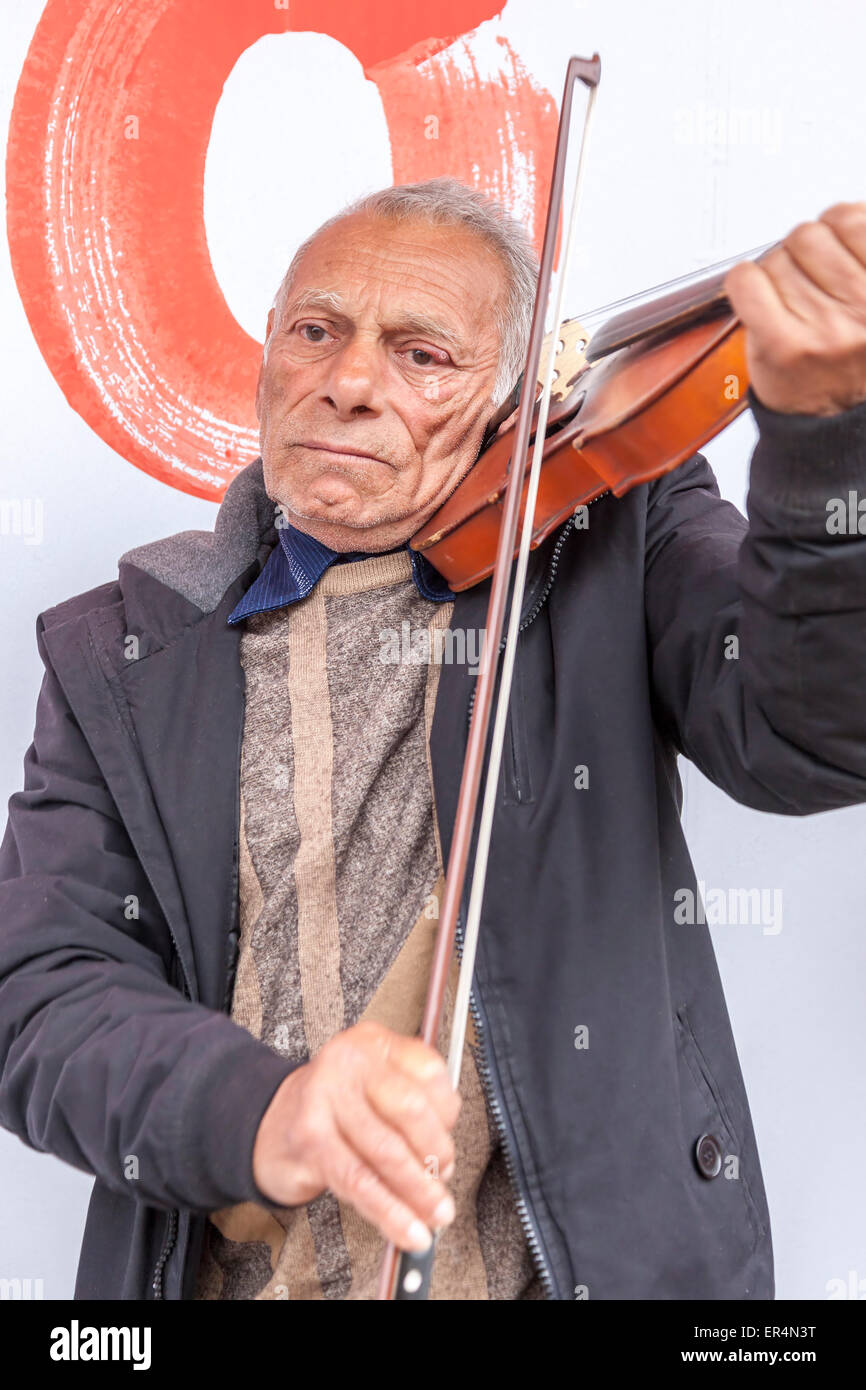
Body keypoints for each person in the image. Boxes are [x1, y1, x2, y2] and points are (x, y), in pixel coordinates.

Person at [2, 178, 866, 1301]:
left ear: (514, 400)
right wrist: (264, 1108)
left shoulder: (612, 535)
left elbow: (808, 733)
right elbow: (41, 990)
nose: (349, 383)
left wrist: (820, 448)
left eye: (423, 356)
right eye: (317, 331)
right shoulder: (121, 649)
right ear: (267, 346)